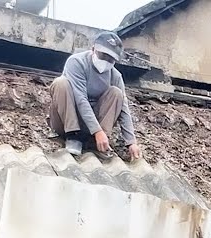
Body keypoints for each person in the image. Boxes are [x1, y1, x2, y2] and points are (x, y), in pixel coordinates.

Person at [47, 30, 143, 160]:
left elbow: (124, 109)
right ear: (93, 49)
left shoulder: (115, 76)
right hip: (66, 121)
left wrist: (131, 142)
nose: (106, 61)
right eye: (103, 55)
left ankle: (96, 142)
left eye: (111, 59)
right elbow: (80, 99)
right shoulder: (77, 63)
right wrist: (97, 131)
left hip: (93, 128)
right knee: (61, 83)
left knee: (116, 93)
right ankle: (73, 135)